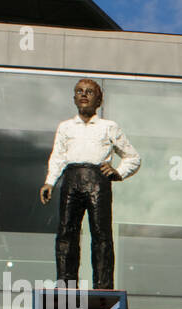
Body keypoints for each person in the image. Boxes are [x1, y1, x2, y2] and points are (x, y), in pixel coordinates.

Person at [39, 78, 140, 290]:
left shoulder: (109, 127)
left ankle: (103, 284)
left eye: (89, 92)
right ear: (74, 97)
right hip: (72, 179)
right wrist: (50, 181)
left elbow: (133, 157)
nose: (84, 95)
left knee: (101, 233)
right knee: (67, 232)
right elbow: (57, 156)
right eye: (79, 91)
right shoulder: (66, 127)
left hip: (98, 181)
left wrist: (118, 172)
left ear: (99, 100)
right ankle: (66, 283)